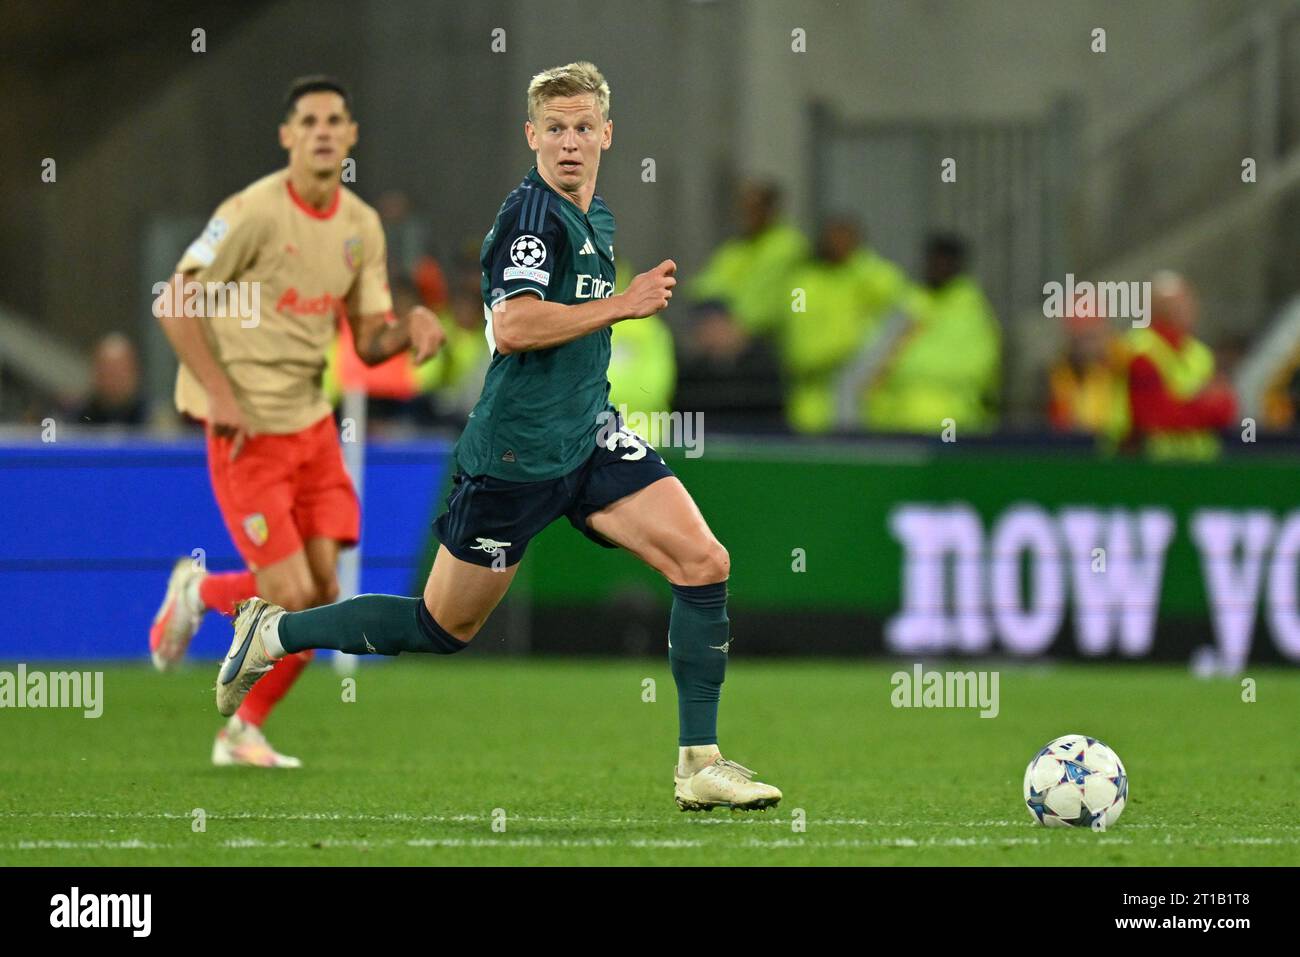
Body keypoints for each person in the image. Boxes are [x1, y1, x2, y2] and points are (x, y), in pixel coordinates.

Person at [215, 61, 782, 812]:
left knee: (704, 560)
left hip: (587, 439)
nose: (570, 143)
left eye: (583, 127)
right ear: (532, 137)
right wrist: (621, 305)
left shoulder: (598, 217)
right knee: (440, 626)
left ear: (607, 134)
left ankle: (699, 763)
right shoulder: (530, 219)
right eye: (555, 129)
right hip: (516, 457)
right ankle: (276, 629)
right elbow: (512, 327)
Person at [149, 75, 444, 767]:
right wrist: (220, 393)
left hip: (311, 427)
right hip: (244, 431)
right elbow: (173, 299)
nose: (321, 130)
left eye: (334, 120)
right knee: (285, 596)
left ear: (351, 136)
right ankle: (194, 591)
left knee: (320, 598)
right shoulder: (251, 211)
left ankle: (241, 728)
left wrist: (412, 327)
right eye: (307, 120)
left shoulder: (360, 226)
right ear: (287, 135)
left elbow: (369, 338)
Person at [777, 217, 910, 433]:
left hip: (862, 401)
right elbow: (796, 337)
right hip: (808, 401)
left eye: (844, 238)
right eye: (831, 237)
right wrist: (831, 353)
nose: (836, 244)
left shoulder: (871, 276)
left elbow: (904, 317)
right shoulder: (802, 283)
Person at [865, 234, 1001, 433]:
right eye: (934, 261)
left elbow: (976, 369)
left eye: (945, 261)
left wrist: (907, 365)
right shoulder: (905, 303)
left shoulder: (972, 311)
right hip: (896, 425)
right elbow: (871, 360)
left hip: (955, 427)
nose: (938, 267)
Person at [1124, 271, 1235, 460]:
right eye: (1173, 305)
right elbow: (1154, 417)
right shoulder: (1139, 351)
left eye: (1187, 301)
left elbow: (1226, 407)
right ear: (1154, 309)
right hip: (1151, 464)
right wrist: (1203, 407)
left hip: (1201, 462)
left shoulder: (1201, 353)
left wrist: (1183, 407)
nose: (1186, 308)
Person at [70, 333, 149, 426]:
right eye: (107, 371)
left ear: (135, 371)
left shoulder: (154, 419)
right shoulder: (77, 419)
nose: (114, 380)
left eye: (120, 371)